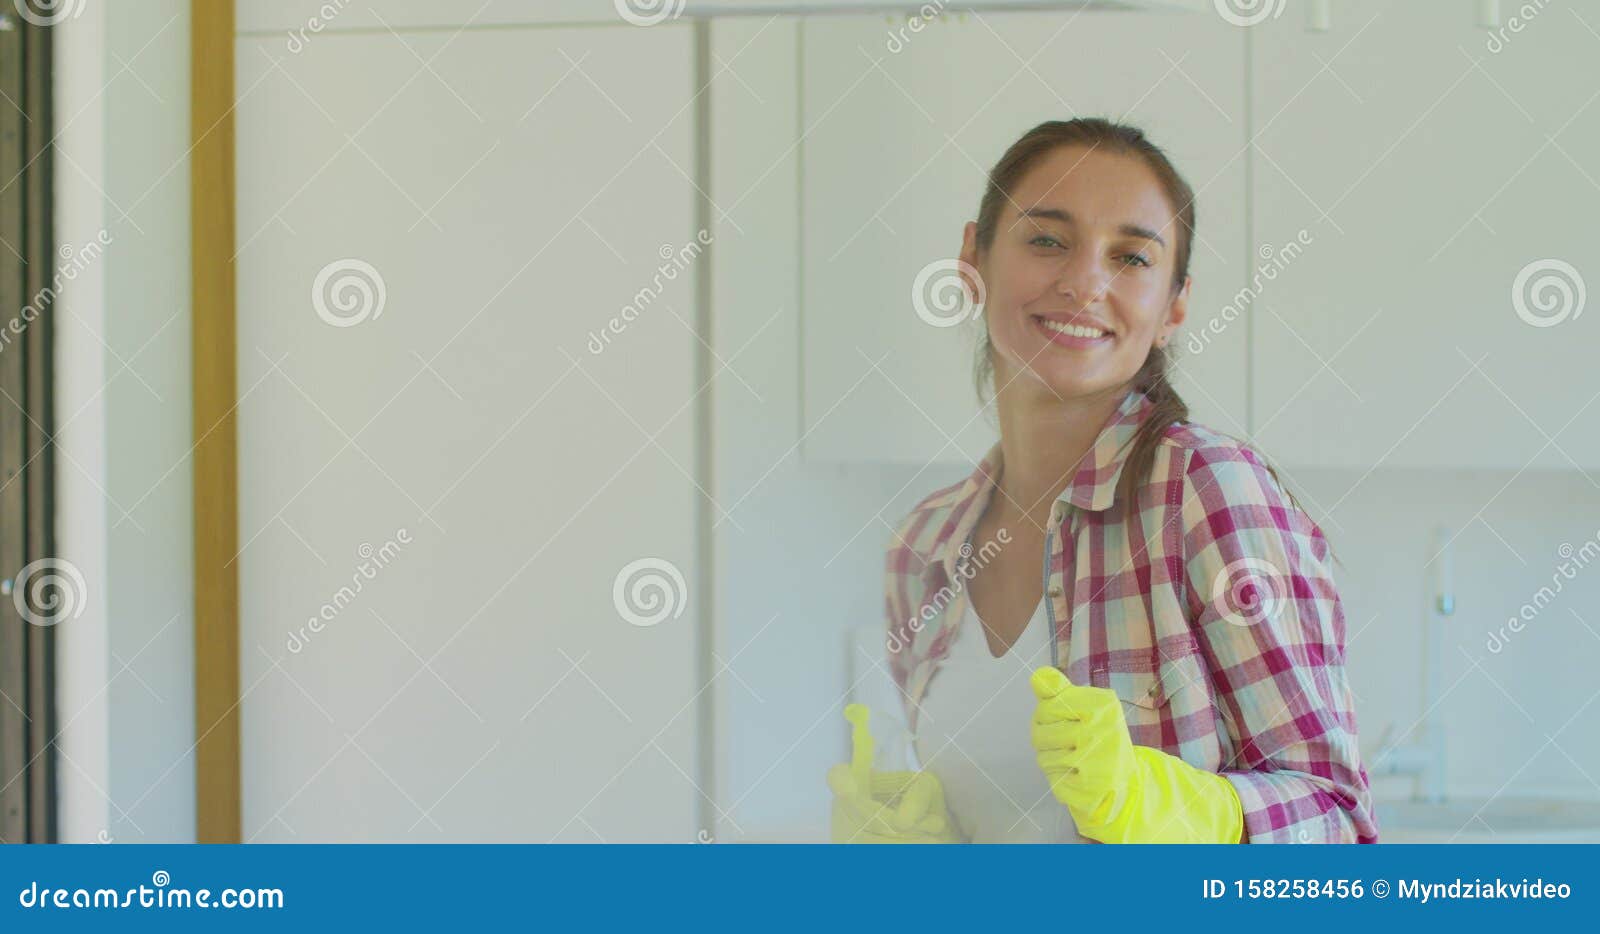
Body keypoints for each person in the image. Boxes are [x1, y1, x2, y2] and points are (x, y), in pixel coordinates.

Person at [827, 117, 1377, 844]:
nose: (1085, 283)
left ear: (1174, 306)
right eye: (1048, 239)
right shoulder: (925, 546)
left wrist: (1185, 812)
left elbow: (1337, 821)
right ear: (973, 258)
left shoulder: (1203, 491)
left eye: (1132, 258)